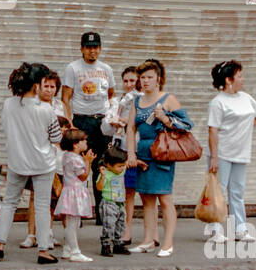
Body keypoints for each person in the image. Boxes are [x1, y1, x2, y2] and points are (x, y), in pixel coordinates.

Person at [0, 63, 61, 265]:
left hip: (16, 161)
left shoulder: (8, 105)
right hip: (43, 164)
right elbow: (56, 138)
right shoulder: (46, 109)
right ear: (37, 85)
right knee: (42, 206)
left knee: (9, 202)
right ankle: (44, 250)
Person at [125, 58, 193, 258]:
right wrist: (131, 153)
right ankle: (148, 240)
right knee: (146, 197)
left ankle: (168, 243)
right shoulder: (136, 101)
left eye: (149, 77)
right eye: (142, 77)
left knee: (165, 197)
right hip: (144, 152)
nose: (145, 81)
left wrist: (165, 118)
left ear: (158, 79)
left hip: (162, 152)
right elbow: (130, 128)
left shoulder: (168, 99)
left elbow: (187, 124)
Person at [207, 60, 256, 244]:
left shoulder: (246, 97)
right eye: (239, 76)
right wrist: (214, 157)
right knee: (219, 191)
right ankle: (215, 229)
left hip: (241, 152)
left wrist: (245, 131)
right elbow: (212, 130)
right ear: (228, 80)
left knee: (237, 191)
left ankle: (240, 228)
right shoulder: (218, 103)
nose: (243, 79)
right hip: (223, 153)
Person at [62, 31, 114, 220]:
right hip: (81, 121)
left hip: (101, 121)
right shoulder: (73, 68)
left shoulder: (106, 69)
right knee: (80, 165)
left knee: (101, 165)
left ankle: (101, 212)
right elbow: (65, 98)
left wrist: (108, 116)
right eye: (89, 47)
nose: (92, 51)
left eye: (96, 47)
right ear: (82, 49)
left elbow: (110, 94)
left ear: (100, 49)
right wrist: (70, 124)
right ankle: (79, 211)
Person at [22, 71, 67, 248]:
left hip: (56, 156)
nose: (49, 90)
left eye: (52, 87)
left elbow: (68, 128)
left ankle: (47, 233)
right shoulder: (32, 104)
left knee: (52, 196)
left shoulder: (60, 106)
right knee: (35, 195)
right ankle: (31, 234)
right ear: (38, 87)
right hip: (37, 154)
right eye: (46, 86)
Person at [108, 66, 141, 244]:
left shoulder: (141, 99)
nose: (129, 85)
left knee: (130, 191)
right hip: (118, 147)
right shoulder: (120, 100)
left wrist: (123, 121)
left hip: (133, 148)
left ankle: (127, 230)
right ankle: (116, 227)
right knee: (116, 190)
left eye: (132, 81)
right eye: (126, 81)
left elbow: (139, 121)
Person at [54, 128, 95, 262]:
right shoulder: (76, 159)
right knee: (72, 224)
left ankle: (67, 248)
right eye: (83, 140)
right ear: (75, 144)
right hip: (75, 192)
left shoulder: (67, 156)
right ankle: (75, 251)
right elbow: (83, 176)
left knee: (73, 223)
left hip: (70, 191)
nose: (86, 142)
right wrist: (88, 162)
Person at [96, 144, 130, 257]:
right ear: (109, 165)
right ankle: (106, 245)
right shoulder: (106, 174)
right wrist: (102, 175)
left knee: (121, 224)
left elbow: (127, 163)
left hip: (120, 203)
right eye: (119, 166)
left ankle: (118, 243)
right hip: (109, 203)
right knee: (109, 225)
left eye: (123, 166)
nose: (122, 168)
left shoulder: (121, 171)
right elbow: (99, 188)